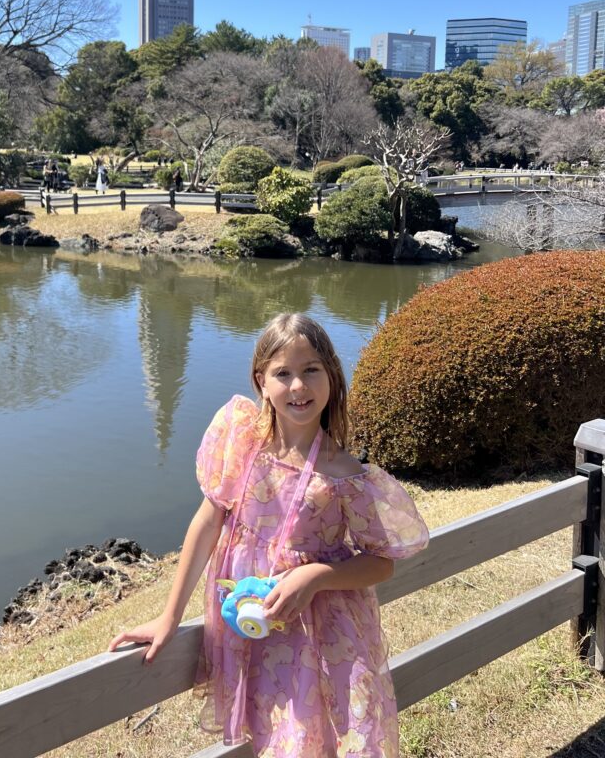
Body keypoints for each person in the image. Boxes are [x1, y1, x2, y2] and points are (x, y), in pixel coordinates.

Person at [109, 313, 429, 757]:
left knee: (311, 738)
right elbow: (206, 525)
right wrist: (169, 617)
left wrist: (316, 575)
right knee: (267, 732)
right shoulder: (241, 444)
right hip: (251, 630)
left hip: (319, 636)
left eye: (311, 370)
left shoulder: (344, 474)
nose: (298, 386)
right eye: (283, 373)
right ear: (261, 380)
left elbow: (381, 562)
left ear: (332, 376)